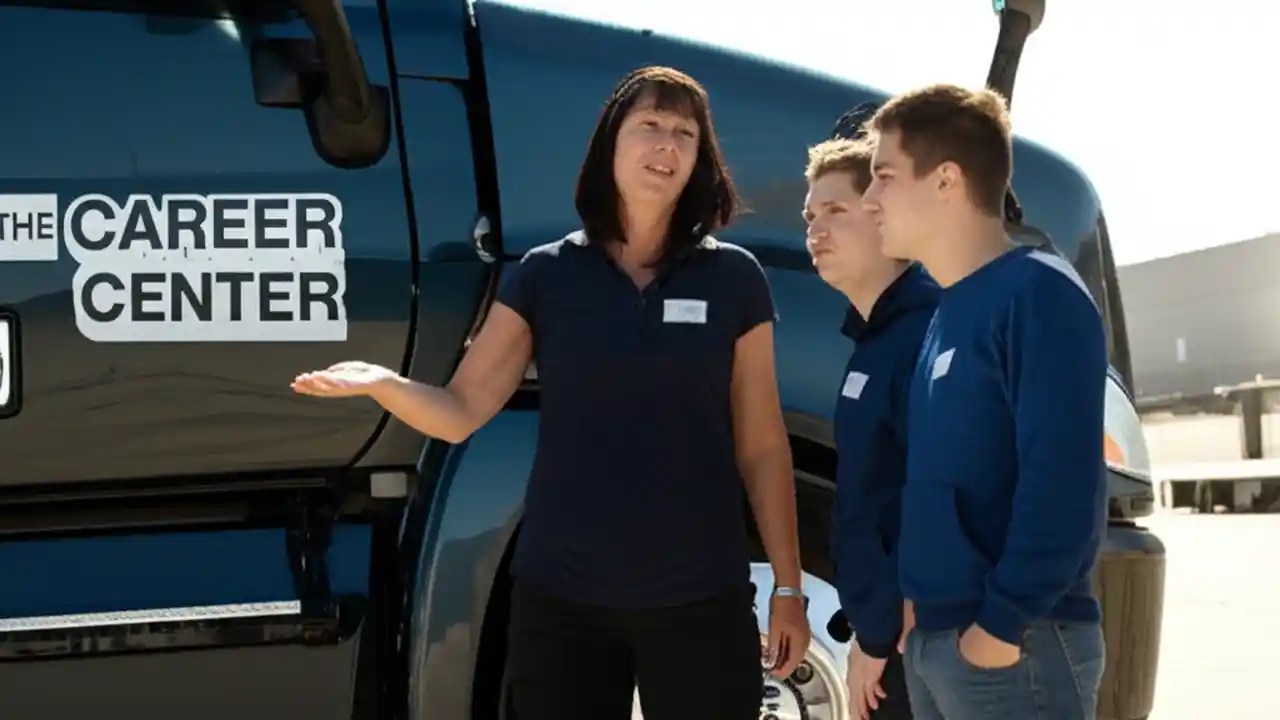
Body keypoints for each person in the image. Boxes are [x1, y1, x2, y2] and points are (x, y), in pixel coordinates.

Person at [290, 65, 810, 719]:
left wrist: (789, 587)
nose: (667, 145)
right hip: (564, 602)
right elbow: (460, 411)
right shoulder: (546, 275)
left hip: (701, 597)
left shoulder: (734, 278)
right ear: (610, 143)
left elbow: (762, 445)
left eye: (686, 133)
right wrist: (385, 384)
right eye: (650, 124)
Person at [859, 83, 1109, 720]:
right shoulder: (950, 309)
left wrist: (1000, 625)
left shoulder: (1038, 294)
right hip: (943, 641)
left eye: (884, 176)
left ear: (946, 180)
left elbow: (1064, 480)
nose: (869, 200)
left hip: (1014, 647)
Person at [802, 136, 939, 720]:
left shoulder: (927, 333)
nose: (816, 230)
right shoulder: (873, 342)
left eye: (835, 210)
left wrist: (880, 636)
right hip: (889, 638)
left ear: (883, 213)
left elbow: (934, 491)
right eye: (810, 216)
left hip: (917, 641)